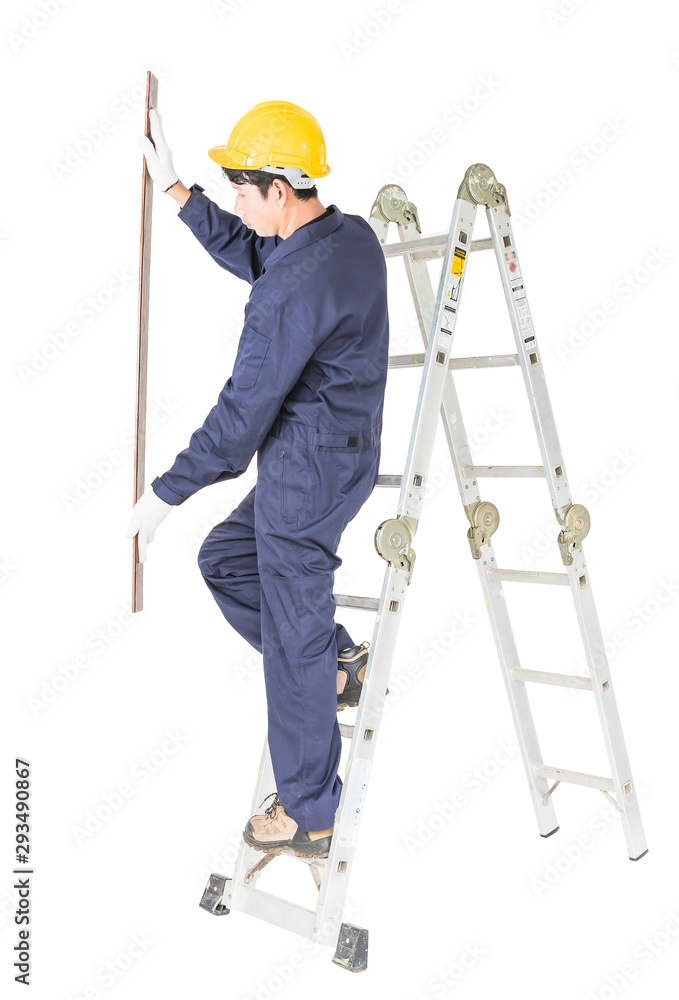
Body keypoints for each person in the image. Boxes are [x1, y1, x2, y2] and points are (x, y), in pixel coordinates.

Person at [126, 101, 389, 860]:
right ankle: (337, 660)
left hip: (303, 475)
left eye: (243, 188)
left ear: (280, 188)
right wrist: (180, 194)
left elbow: (239, 419)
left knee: (293, 638)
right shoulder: (346, 238)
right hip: (341, 459)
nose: (236, 200)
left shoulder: (289, 288)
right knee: (227, 561)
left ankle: (310, 812)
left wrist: (165, 493)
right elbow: (256, 252)